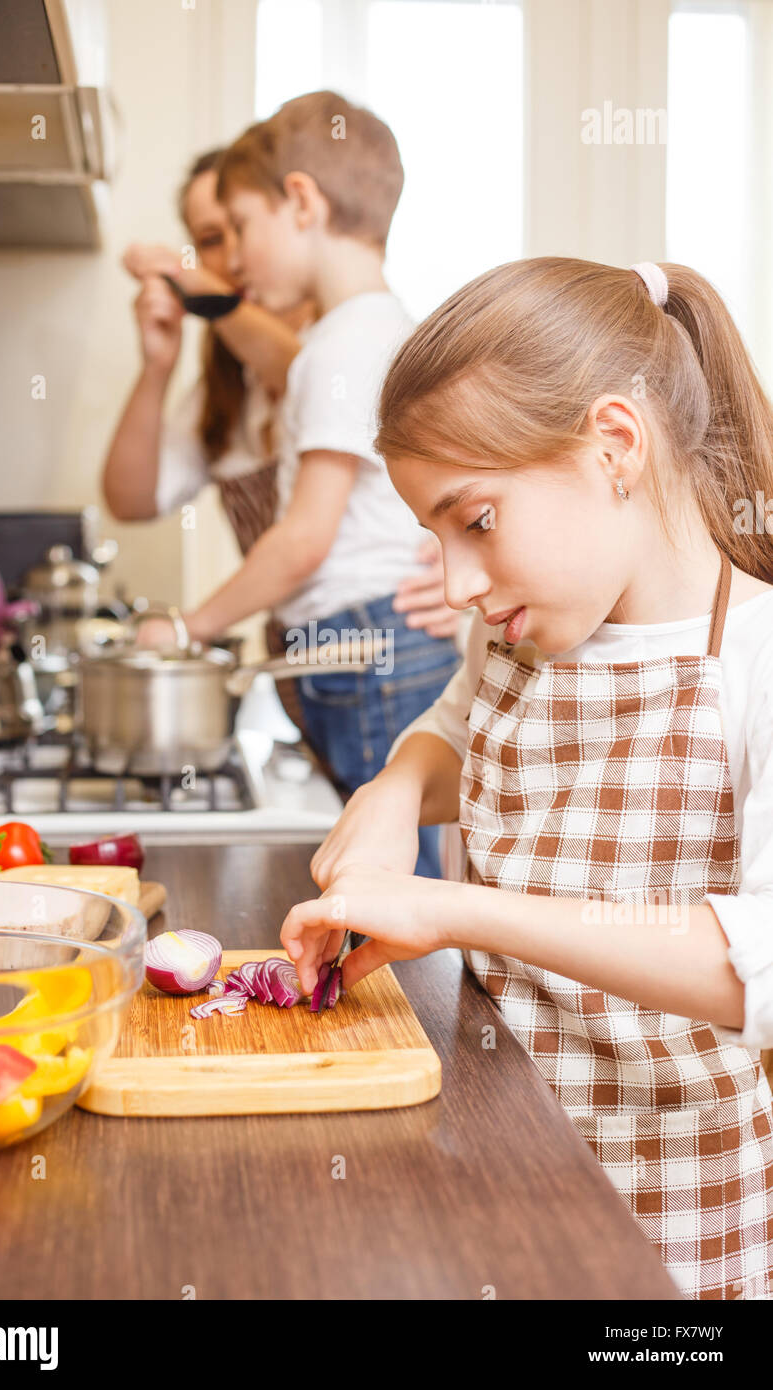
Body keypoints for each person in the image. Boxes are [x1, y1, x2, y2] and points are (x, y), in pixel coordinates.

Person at [279, 256, 773, 1300]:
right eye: (434, 536)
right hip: (495, 1150)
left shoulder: (753, 659)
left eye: (477, 521)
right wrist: (393, 793)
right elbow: (460, 729)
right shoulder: (524, 631)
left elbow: (751, 968)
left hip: (665, 1207)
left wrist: (454, 907)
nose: (457, 582)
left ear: (612, 447)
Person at [134, 94, 463, 878]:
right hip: (368, 648)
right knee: (384, 872)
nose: (235, 259)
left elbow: (305, 539)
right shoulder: (362, 331)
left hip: (369, 650)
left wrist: (188, 628)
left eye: (242, 227)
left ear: (303, 203)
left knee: (385, 882)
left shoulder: (342, 346)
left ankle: (400, 1006)